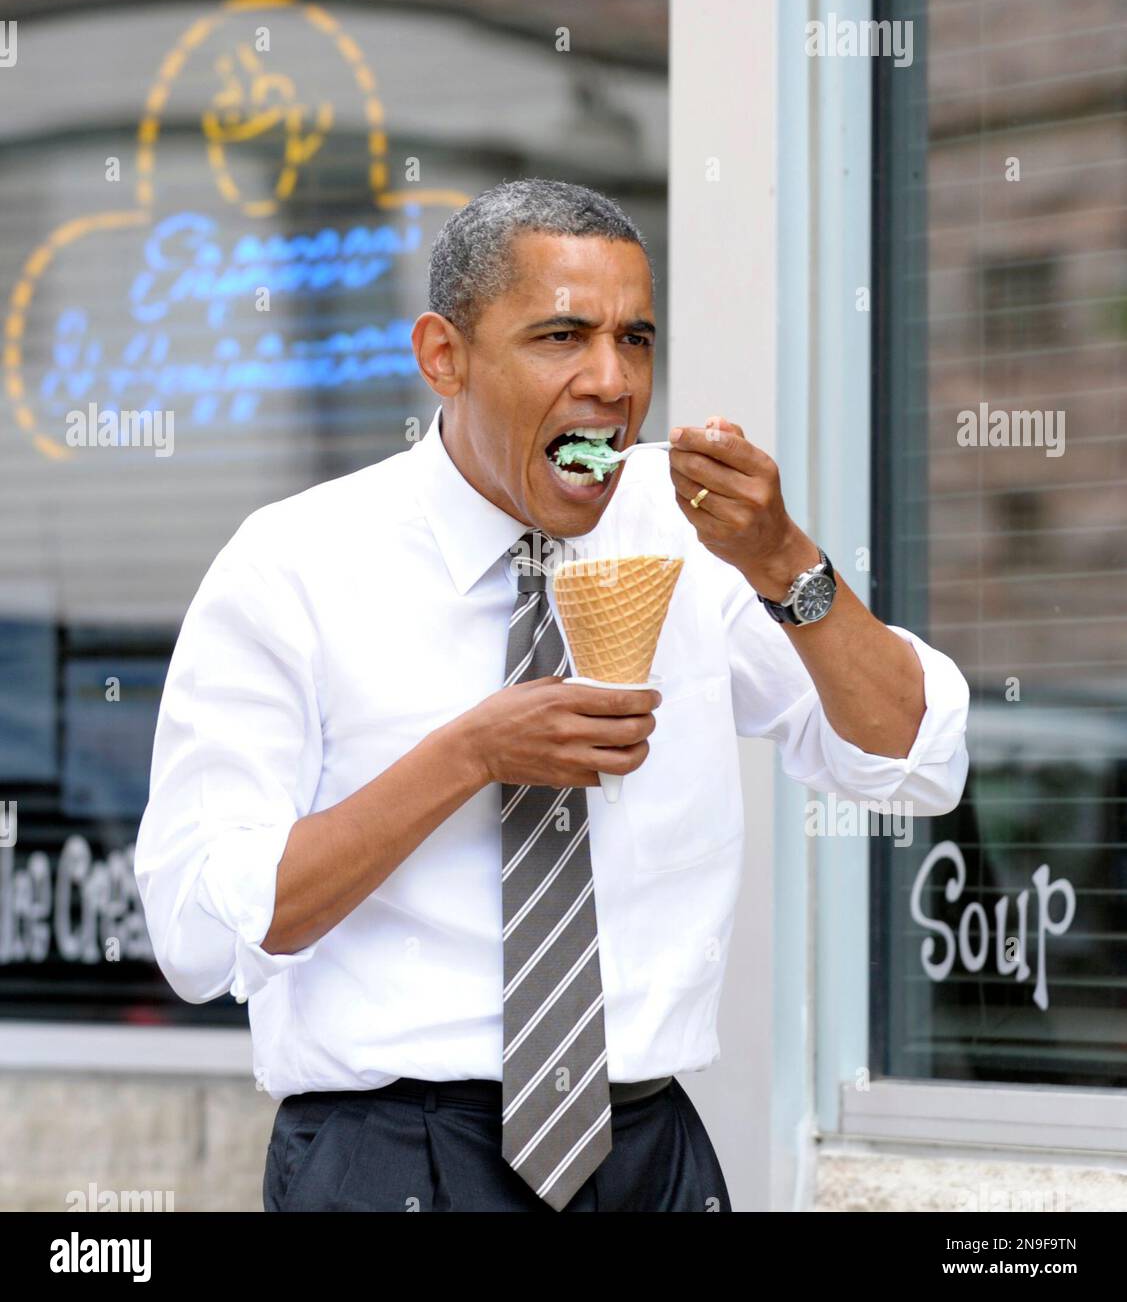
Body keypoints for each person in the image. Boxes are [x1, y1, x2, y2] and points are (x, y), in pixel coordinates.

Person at [135, 178, 969, 1213]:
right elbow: (197, 930)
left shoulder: (692, 532)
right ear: (444, 355)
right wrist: (469, 755)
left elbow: (913, 759)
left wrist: (784, 559)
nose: (610, 382)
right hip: (395, 1158)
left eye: (635, 338)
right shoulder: (294, 565)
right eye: (561, 337)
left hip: (647, 1151)